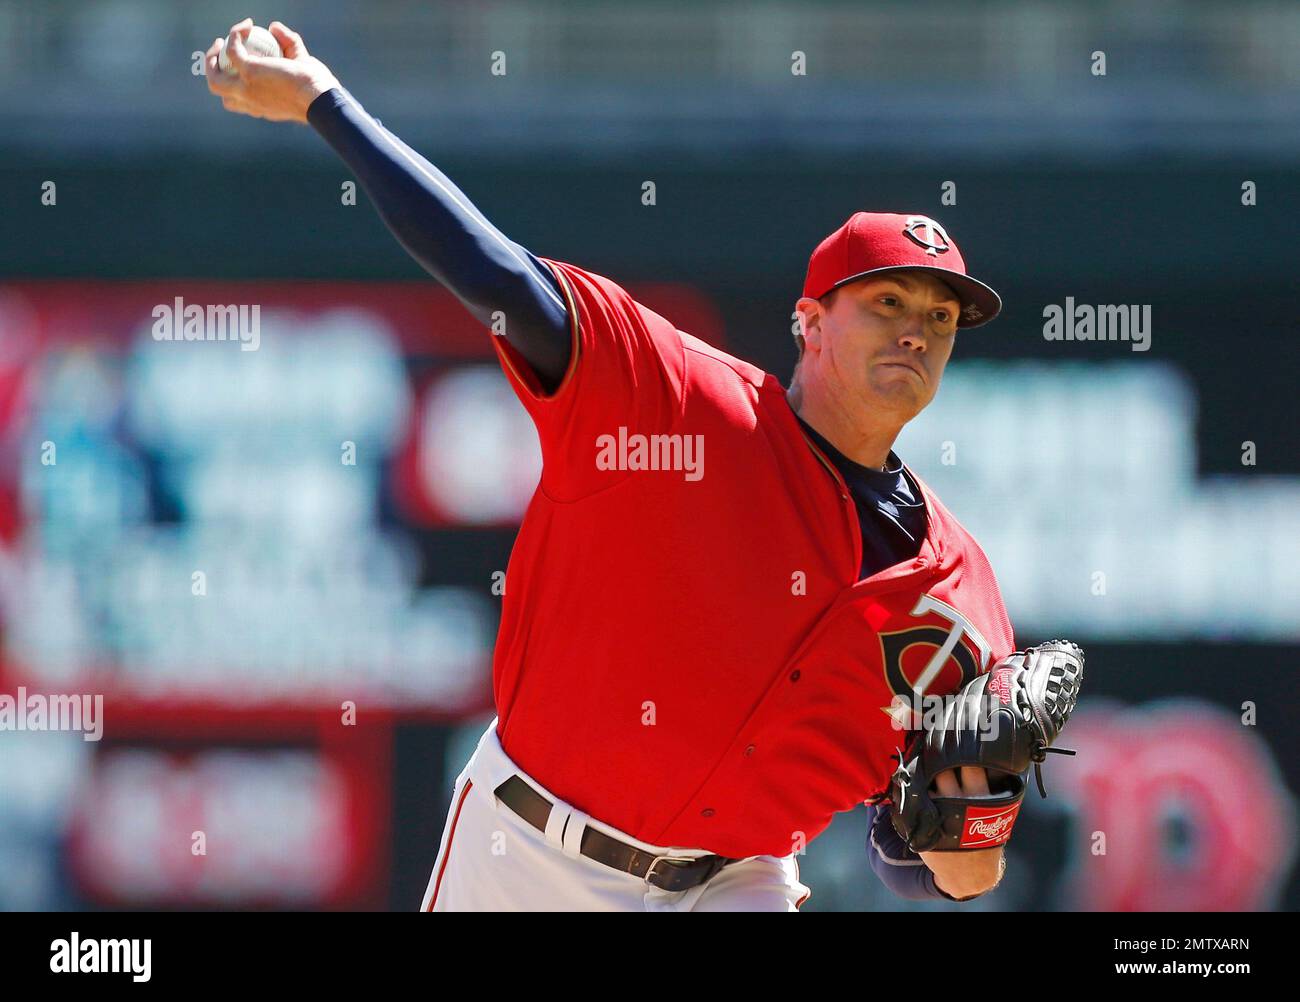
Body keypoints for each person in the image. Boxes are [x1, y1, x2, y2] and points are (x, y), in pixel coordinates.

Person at [205, 19, 1016, 911]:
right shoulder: (673, 400)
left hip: (740, 883)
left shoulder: (960, 599)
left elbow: (938, 873)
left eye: (941, 318)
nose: (917, 328)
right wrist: (328, 103)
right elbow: (492, 270)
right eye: (889, 299)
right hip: (530, 854)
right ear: (811, 323)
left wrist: (971, 822)